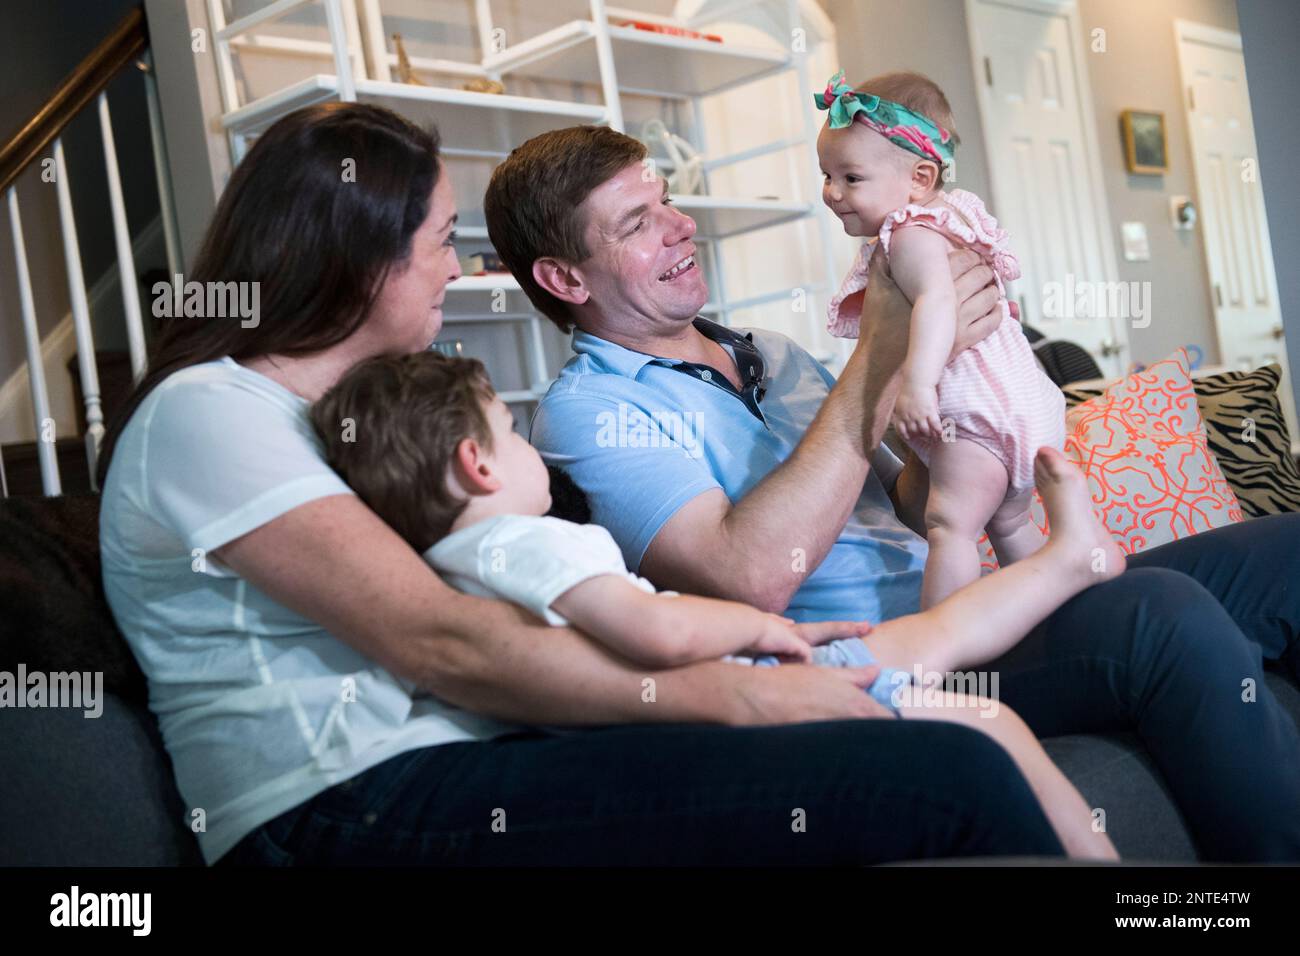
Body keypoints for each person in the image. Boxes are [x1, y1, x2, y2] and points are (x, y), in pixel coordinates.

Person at [95, 102, 1067, 867]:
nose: (461, 263)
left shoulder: (361, 419)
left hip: (479, 752)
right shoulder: (208, 414)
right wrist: (725, 695)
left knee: (945, 739)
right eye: (437, 238)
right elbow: (444, 639)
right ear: (357, 254)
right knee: (944, 775)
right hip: (339, 807)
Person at [496, 124, 1300, 862]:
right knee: (1160, 613)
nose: (680, 225)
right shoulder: (587, 413)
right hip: (893, 660)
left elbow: (912, 506)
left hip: (977, 601)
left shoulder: (770, 354)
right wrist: (881, 352)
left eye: (666, 199)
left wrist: (973, 404)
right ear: (564, 276)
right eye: (637, 223)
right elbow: (747, 574)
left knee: (1285, 552)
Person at [309, 349, 1121, 857]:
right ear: (476, 465)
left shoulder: (449, 563)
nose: (531, 450)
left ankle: (1067, 562)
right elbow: (657, 628)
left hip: (722, 687)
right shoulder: (530, 543)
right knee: (974, 695)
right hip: (748, 678)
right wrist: (766, 625)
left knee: (940, 646)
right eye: (511, 434)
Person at [816, 69, 1066, 608]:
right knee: (1011, 521)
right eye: (826, 175)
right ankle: (1059, 604)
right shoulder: (955, 214)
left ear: (920, 177)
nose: (832, 193)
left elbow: (937, 301)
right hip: (1025, 406)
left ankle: (943, 640)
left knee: (950, 527)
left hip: (974, 418)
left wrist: (918, 386)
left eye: (851, 177)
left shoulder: (908, 234)